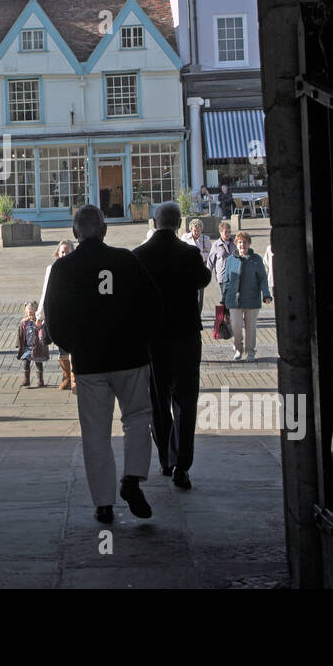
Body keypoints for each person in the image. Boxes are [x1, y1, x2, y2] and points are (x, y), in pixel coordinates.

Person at [43, 205, 161, 523]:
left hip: (90, 362)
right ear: (105, 230)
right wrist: (142, 339)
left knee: (95, 432)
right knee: (137, 419)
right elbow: (153, 304)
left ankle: (103, 503)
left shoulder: (63, 269)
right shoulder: (126, 260)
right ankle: (133, 478)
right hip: (131, 357)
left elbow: (53, 318)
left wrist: (73, 347)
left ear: (74, 233)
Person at [136, 202, 212, 489]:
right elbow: (204, 279)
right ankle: (183, 464)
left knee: (158, 400)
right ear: (179, 223)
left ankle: (166, 460)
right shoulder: (189, 253)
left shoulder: (139, 255)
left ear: (154, 223)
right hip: (185, 337)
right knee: (185, 401)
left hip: (153, 339)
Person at [222, 231, 272, 361]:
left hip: (252, 298)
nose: (242, 245)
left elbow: (262, 278)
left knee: (250, 327)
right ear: (236, 244)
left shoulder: (256, 259)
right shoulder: (230, 260)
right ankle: (238, 348)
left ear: (249, 244)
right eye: (239, 242)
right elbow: (226, 280)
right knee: (236, 326)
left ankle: (250, 352)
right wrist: (224, 298)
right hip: (234, 299)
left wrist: (266, 294)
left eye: (245, 242)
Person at [37, 240, 76, 390]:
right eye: (62, 252)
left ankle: (74, 378)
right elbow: (45, 291)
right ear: (58, 254)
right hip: (58, 313)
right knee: (62, 347)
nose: (65, 254)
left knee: (74, 348)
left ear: (73, 251)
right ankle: (66, 377)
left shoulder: (78, 266)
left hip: (73, 313)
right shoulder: (51, 268)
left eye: (67, 251)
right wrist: (41, 313)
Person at [181, 217, 214, 313]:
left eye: (198, 230)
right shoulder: (185, 237)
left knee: (200, 290)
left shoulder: (205, 239)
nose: (196, 232)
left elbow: (210, 252)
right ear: (191, 229)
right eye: (195, 230)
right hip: (188, 267)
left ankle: (198, 311)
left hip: (200, 267)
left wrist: (200, 256)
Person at [15, 301, 48, 387]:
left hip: (38, 347)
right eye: (29, 315)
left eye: (33, 314)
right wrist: (18, 343)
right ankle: (26, 379)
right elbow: (20, 334)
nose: (31, 317)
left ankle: (40, 380)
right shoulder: (24, 323)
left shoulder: (40, 323)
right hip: (27, 347)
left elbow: (44, 333)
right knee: (26, 362)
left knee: (38, 363)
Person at [207, 220, 235, 297]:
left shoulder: (234, 243)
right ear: (221, 232)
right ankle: (225, 309)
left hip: (235, 275)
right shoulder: (216, 245)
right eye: (226, 232)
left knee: (233, 298)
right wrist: (207, 274)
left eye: (229, 232)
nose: (228, 234)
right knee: (226, 297)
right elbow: (210, 261)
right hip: (223, 276)